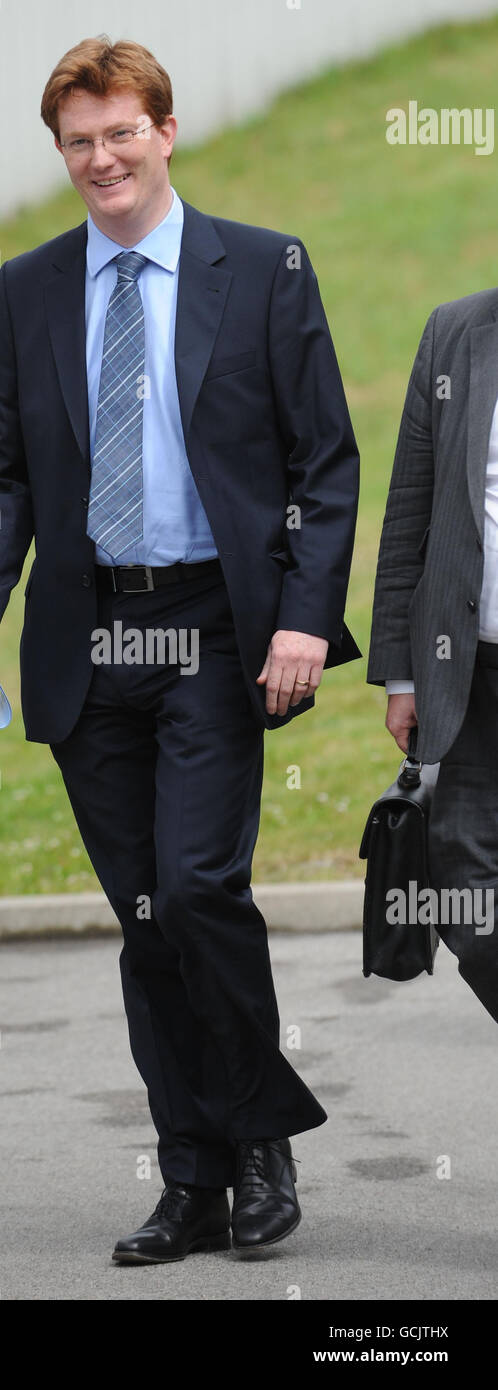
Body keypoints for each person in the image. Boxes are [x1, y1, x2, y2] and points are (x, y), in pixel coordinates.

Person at [0, 35, 360, 1264]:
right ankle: (192, 1178)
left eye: (122, 131)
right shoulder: (32, 290)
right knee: (142, 914)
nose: (102, 158)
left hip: (214, 632)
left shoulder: (265, 270)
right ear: (60, 154)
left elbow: (322, 466)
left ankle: (261, 1141)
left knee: (198, 886)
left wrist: (297, 614)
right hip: (86, 640)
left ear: (165, 131)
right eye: (79, 141)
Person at [367, 288, 498, 1026]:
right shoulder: (456, 332)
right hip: (471, 673)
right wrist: (403, 672)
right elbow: (410, 508)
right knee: (463, 890)